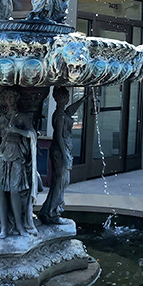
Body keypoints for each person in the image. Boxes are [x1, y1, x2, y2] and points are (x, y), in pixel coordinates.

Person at [0, 89, 39, 238]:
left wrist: (17, 130)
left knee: (15, 191)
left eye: (11, 96)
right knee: (1, 190)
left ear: (17, 98)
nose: (9, 99)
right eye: (6, 97)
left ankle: (20, 226)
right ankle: (3, 227)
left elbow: (31, 134)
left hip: (16, 155)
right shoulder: (2, 118)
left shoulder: (23, 117)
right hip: (1, 156)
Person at [39, 87, 86, 224]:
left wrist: (83, 99)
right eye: (65, 97)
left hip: (64, 148)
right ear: (59, 99)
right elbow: (58, 136)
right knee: (59, 182)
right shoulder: (59, 116)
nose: (67, 99)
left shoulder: (62, 113)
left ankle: (51, 210)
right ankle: (51, 212)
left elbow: (71, 111)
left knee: (62, 182)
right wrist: (64, 155)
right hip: (60, 150)